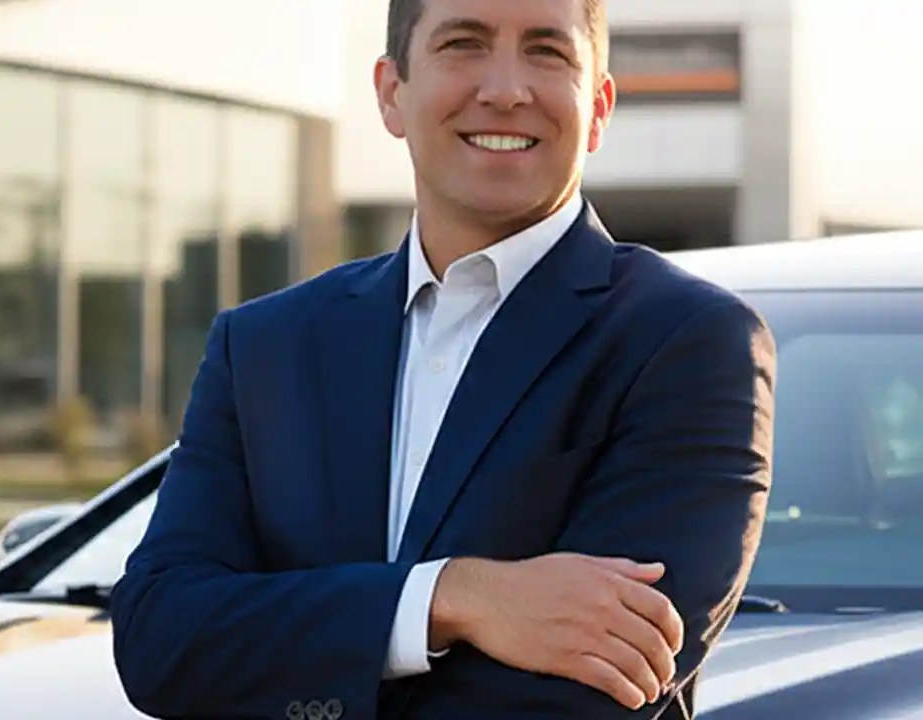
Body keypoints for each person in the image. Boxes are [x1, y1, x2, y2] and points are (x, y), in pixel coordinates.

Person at [112, 0, 776, 717]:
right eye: (464, 44)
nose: (506, 89)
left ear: (599, 108)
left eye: (547, 53)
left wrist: (296, 648)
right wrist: (451, 597)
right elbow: (161, 636)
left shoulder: (687, 344)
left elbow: (595, 695)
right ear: (391, 93)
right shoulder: (265, 346)